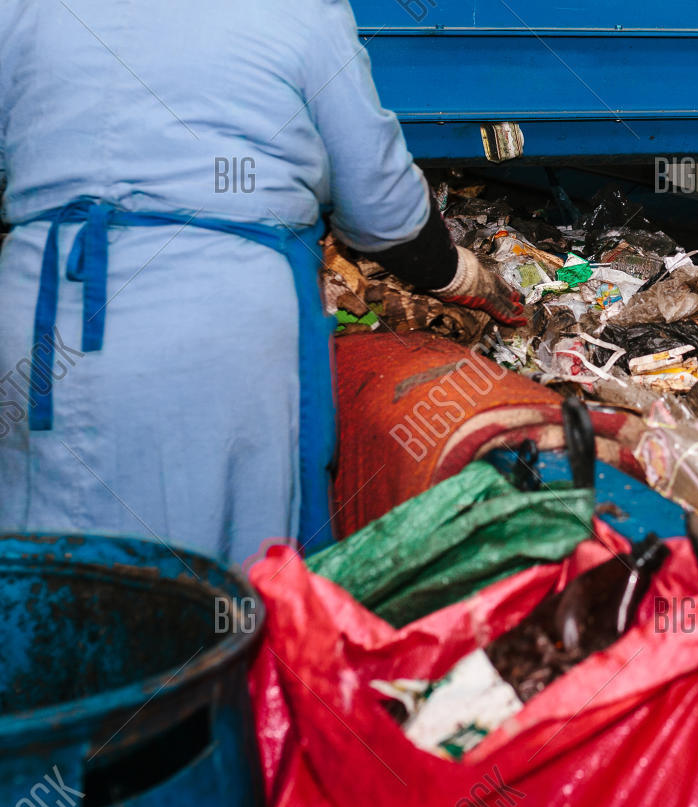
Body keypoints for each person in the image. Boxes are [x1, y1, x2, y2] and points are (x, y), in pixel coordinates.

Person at [0, 0, 521, 566]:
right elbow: (381, 208)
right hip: (217, 318)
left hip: (43, 307)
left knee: (50, 563)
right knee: (218, 570)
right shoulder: (296, 10)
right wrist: (464, 277)